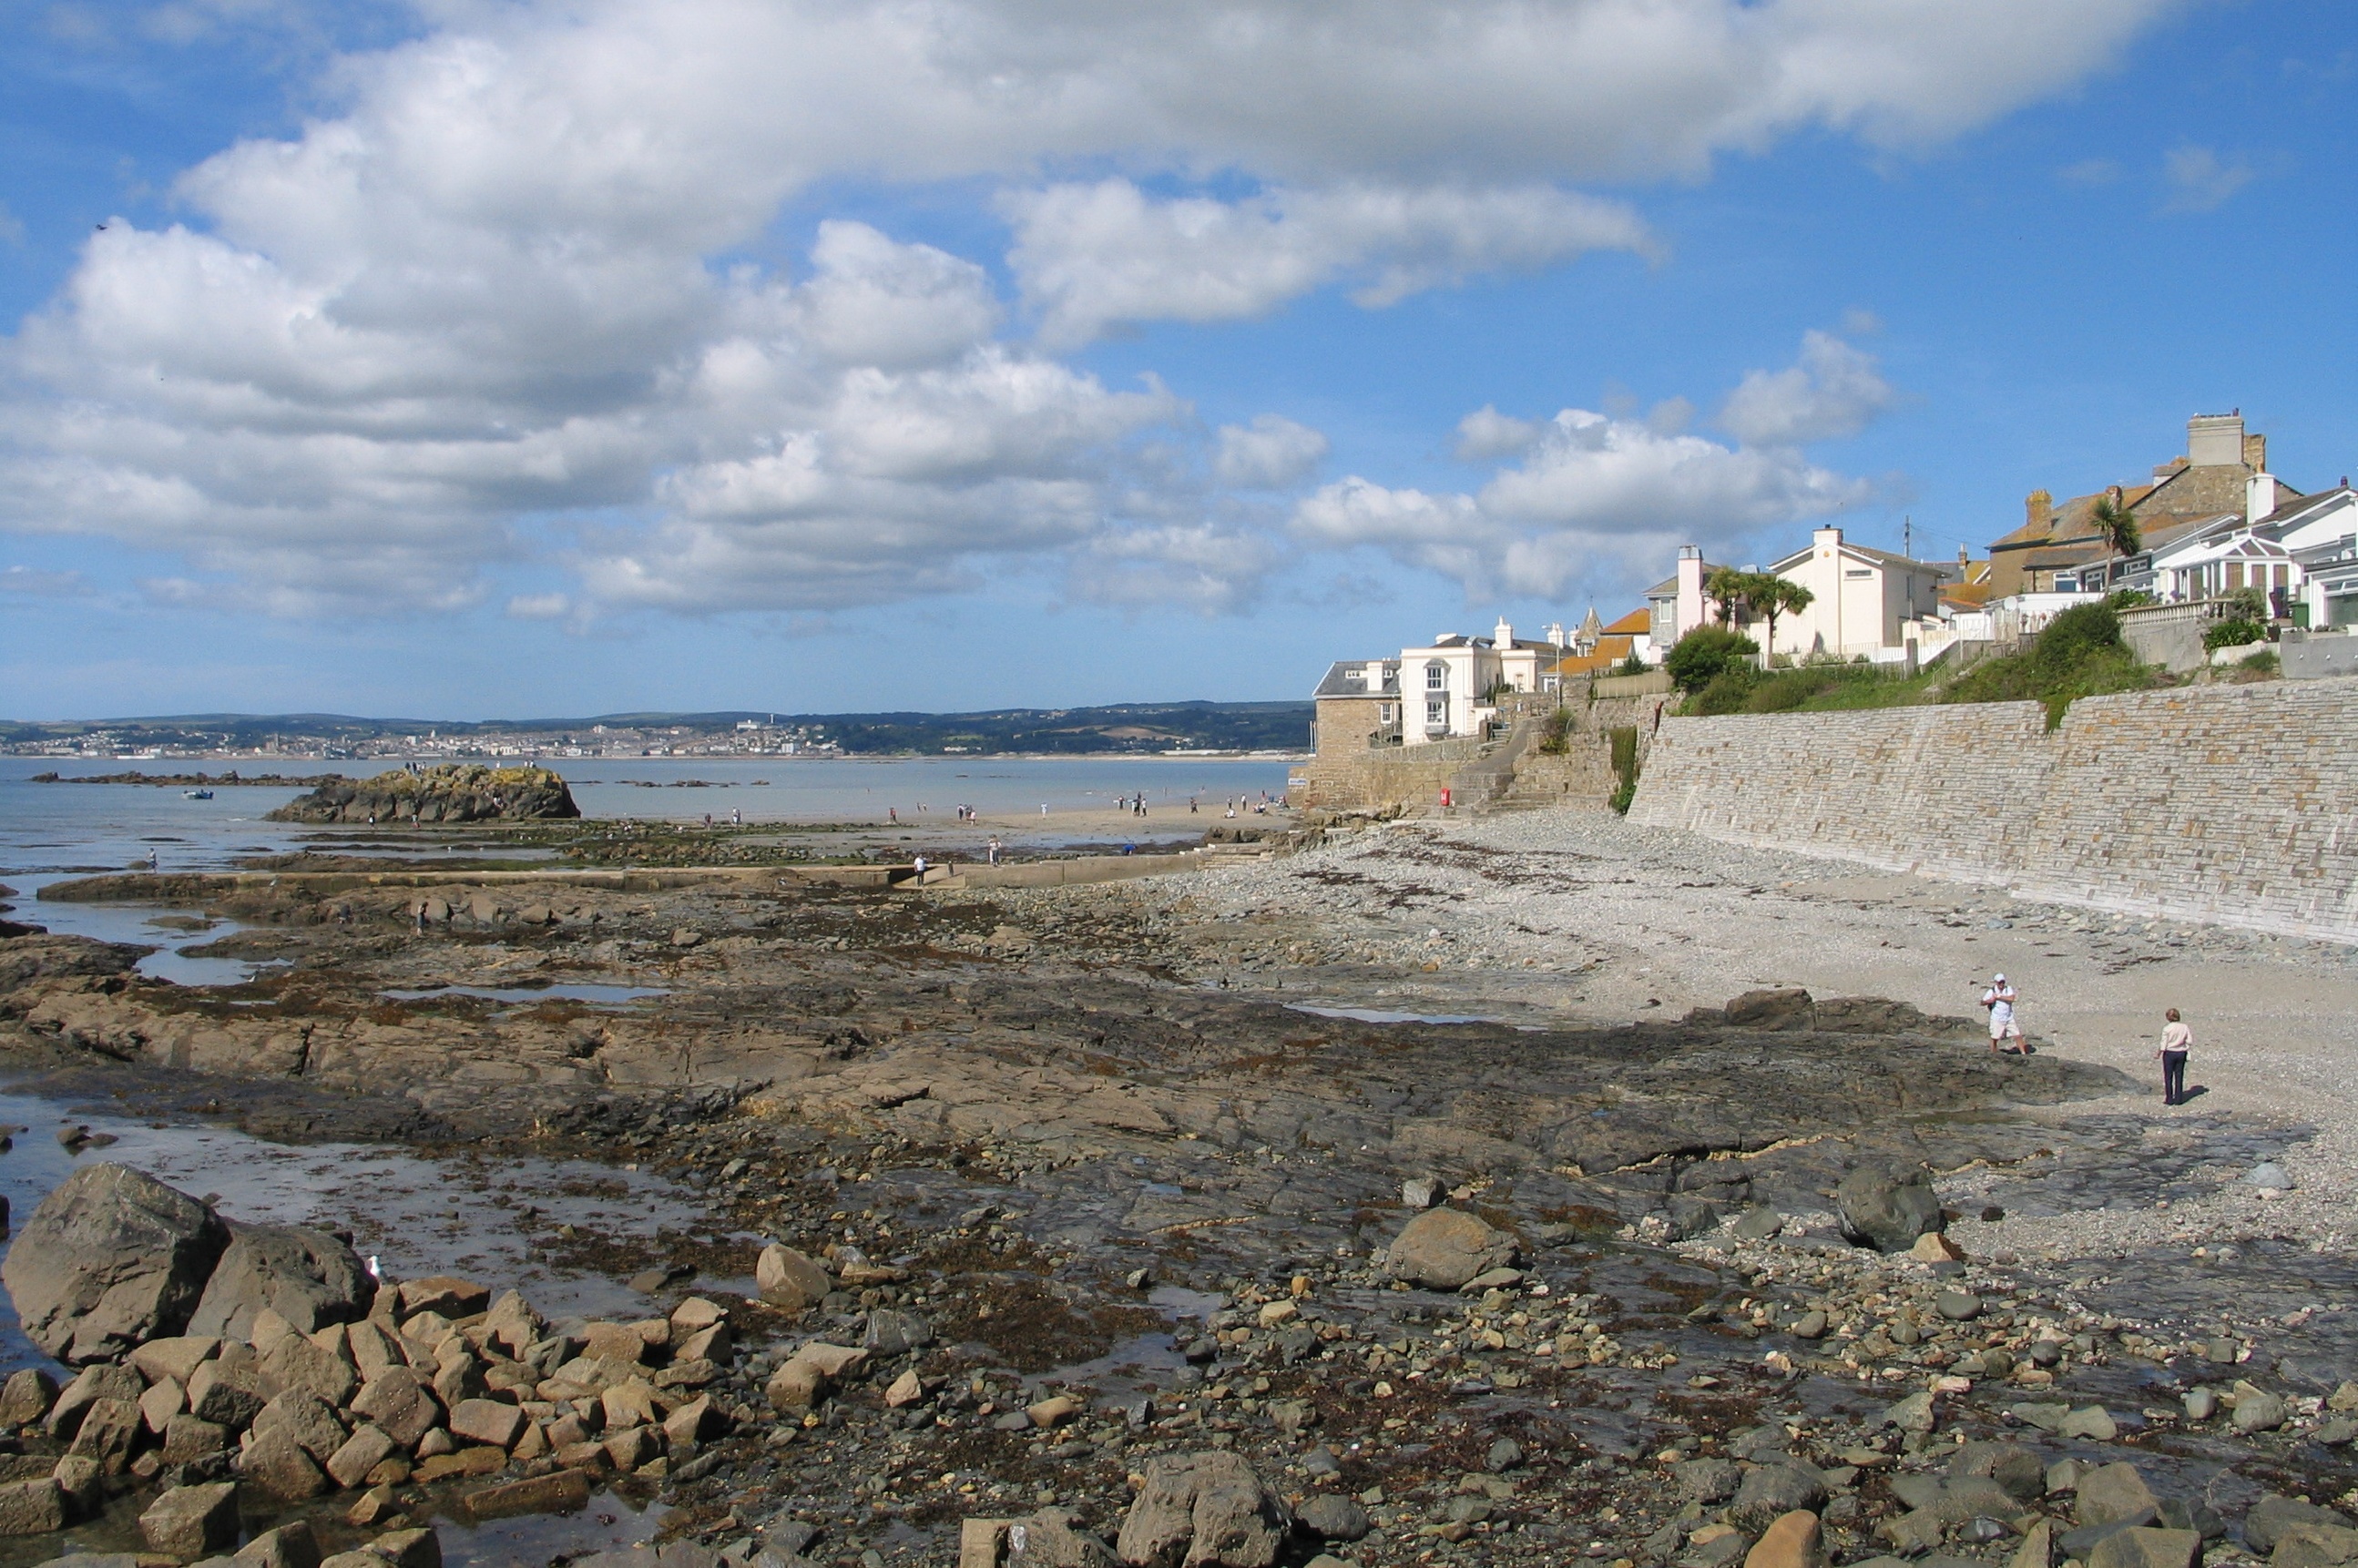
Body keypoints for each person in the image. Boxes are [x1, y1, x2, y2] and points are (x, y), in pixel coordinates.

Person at [2155, 1007, 2193, 1105]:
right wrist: (2185, 1047)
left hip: (2170, 1053)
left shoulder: (2167, 1028)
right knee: (2179, 1075)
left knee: (2168, 1076)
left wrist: (2158, 1053)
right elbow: (2189, 1041)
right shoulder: (2184, 1027)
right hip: (2181, 1052)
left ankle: (2169, 1098)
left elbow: (2164, 1043)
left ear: (2168, 1017)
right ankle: (2179, 1098)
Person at [1981, 973, 2022, 1054]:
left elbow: (2012, 998)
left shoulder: (2008, 989)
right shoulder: (1991, 991)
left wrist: (1999, 997)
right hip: (1997, 1018)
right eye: (2000, 982)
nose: (2001, 984)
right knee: (1995, 1037)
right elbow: (1982, 1002)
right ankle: (1993, 1053)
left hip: (2008, 1017)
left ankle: (2023, 1053)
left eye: (2003, 982)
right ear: (1996, 982)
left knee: (2017, 1035)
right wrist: (1990, 1001)